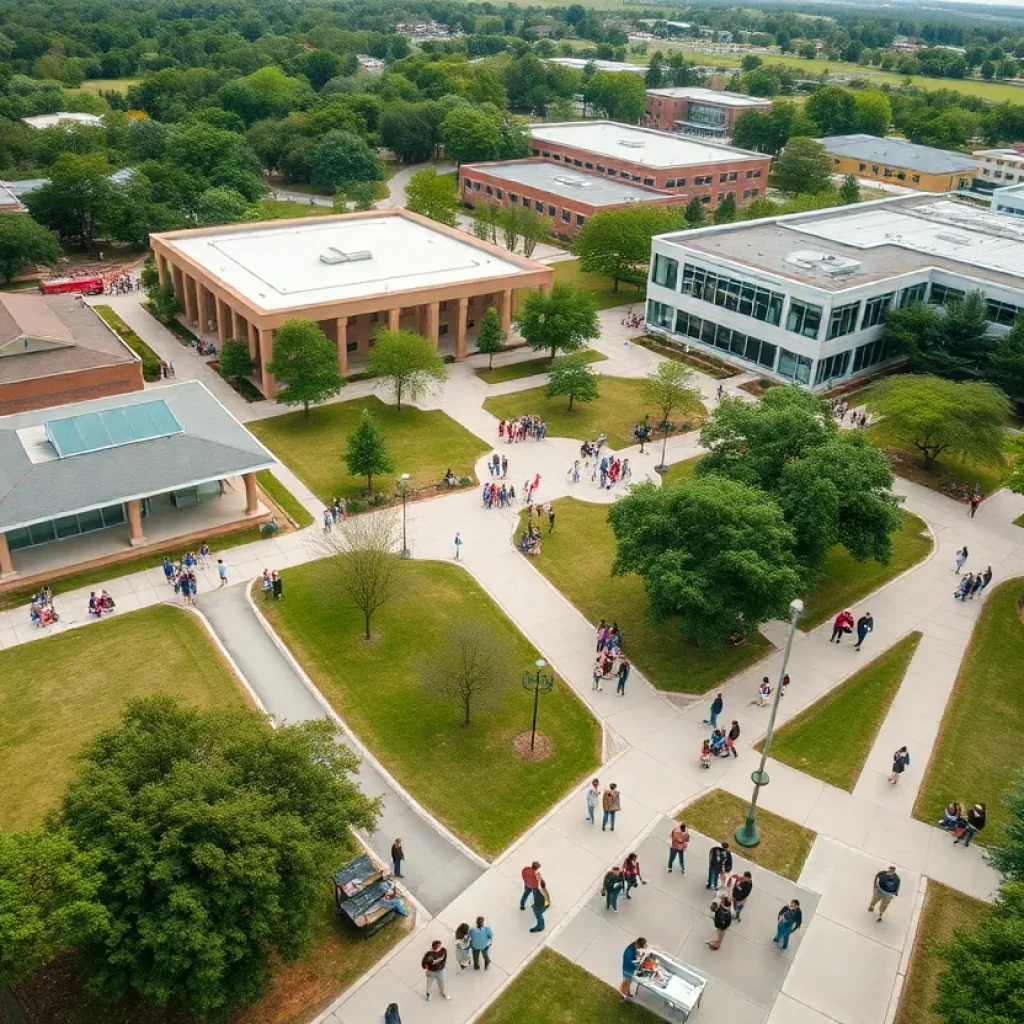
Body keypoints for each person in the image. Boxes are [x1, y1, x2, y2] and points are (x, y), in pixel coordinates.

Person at [620, 937, 647, 1002]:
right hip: (628, 970)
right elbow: (631, 962)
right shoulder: (630, 951)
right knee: (626, 984)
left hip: (628, 968)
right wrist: (639, 966)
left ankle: (627, 994)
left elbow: (634, 957)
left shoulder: (632, 947)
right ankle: (625, 997)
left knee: (628, 984)